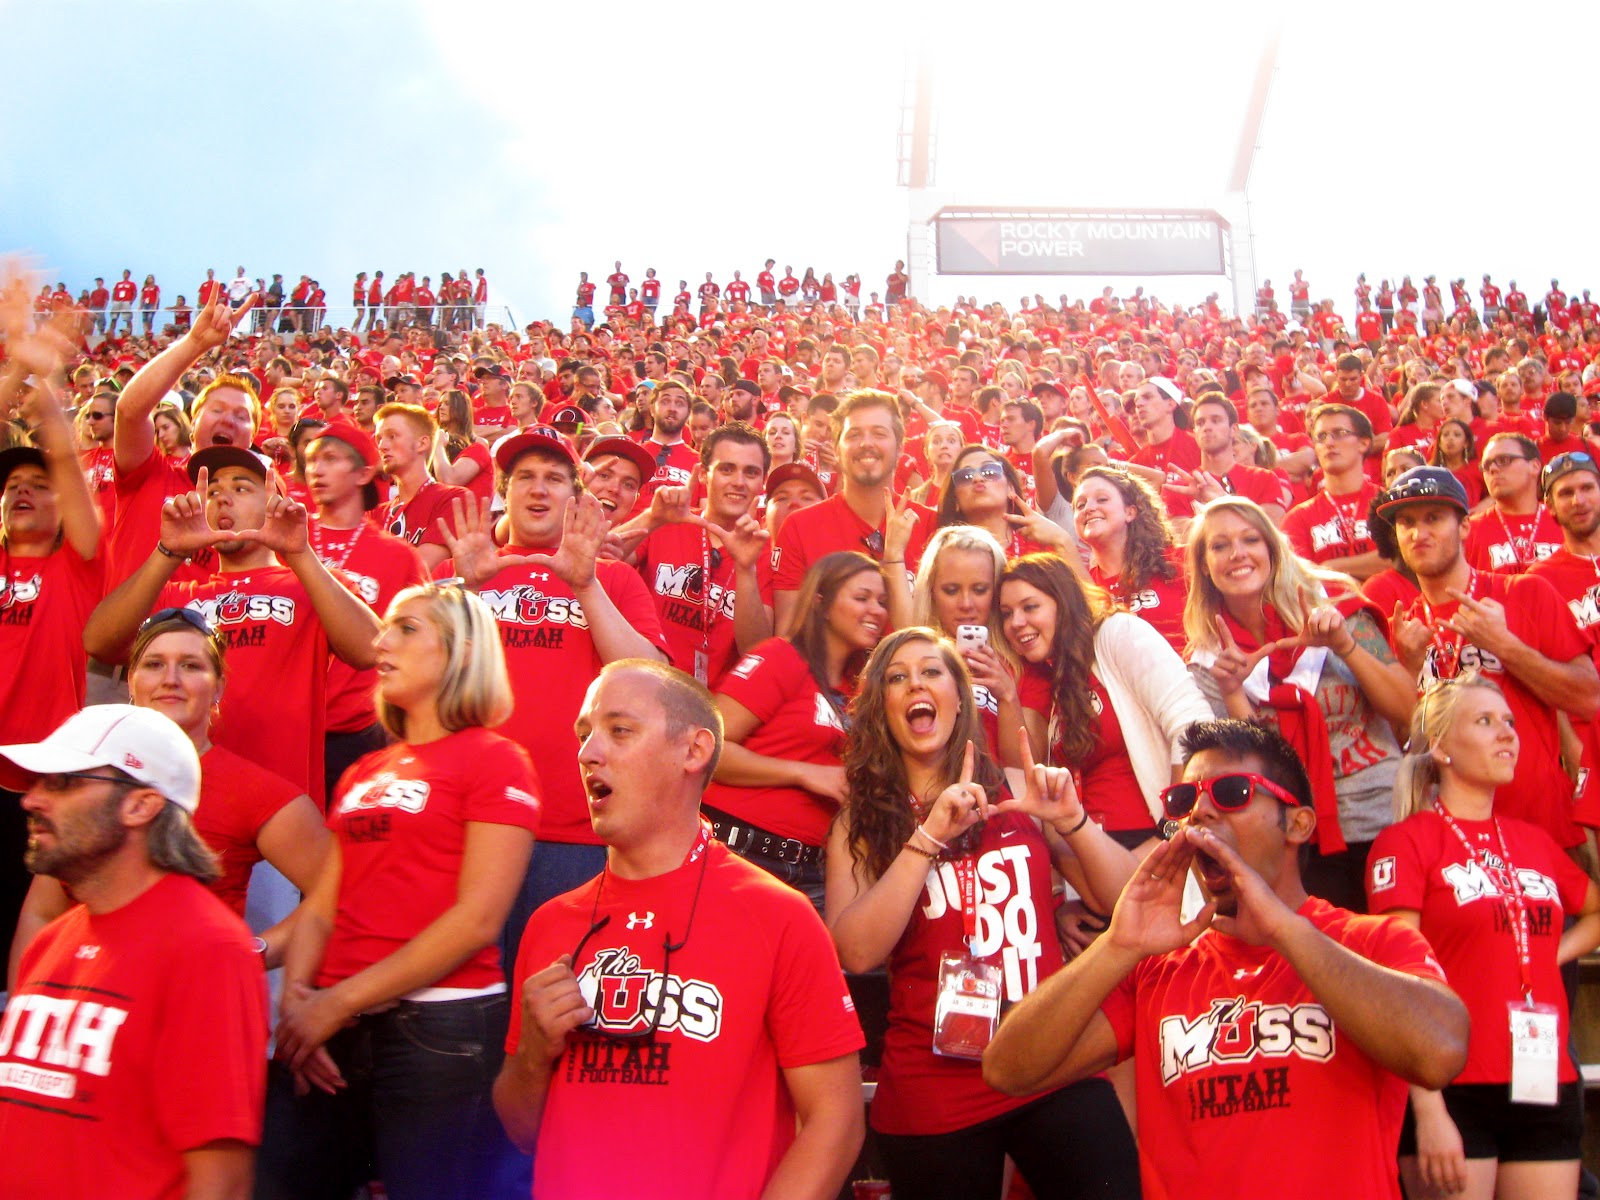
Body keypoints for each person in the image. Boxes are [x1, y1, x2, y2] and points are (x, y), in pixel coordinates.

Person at [982, 718, 1471, 1200]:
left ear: (1298, 823)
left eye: (1232, 792)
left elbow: (1441, 1052)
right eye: (1184, 801)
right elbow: (1010, 1069)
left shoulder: (1370, 941)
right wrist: (1116, 945)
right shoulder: (1159, 966)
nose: (1201, 814)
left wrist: (1284, 929)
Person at [494, 659, 865, 1200]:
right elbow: (522, 1131)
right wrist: (532, 1052)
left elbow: (836, 1121)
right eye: (584, 733)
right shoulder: (551, 925)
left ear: (694, 750)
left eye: (619, 730)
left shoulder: (778, 916)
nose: (588, 752)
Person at [826, 628, 1140, 1200]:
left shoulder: (1017, 788)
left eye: (932, 672)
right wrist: (927, 838)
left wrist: (1072, 822)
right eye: (897, 677)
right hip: (933, 1084)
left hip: (1053, 1062)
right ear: (881, 708)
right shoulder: (861, 821)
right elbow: (855, 950)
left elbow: (1121, 900)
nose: (916, 683)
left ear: (960, 695)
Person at [256, 581, 541, 1200]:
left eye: (407, 629)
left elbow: (477, 921)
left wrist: (335, 1004)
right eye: (386, 627)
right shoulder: (364, 770)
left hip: (441, 1030)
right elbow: (322, 908)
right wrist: (301, 1003)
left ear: (463, 649)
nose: (383, 642)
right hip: (335, 1029)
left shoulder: (498, 760)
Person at [0, 705, 269, 1200]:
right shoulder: (49, 943)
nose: (31, 800)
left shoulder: (207, 949)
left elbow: (221, 1181)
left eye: (61, 782)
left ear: (141, 806)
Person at [436, 426, 668, 973]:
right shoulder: (463, 572)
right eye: (525, 478)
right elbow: (414, 682)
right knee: (464, 1000)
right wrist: (463, 590)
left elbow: (650, 678)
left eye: (554, 479)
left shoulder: (612, 579)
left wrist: (586, 585)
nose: (539, 490)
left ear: (575, 497)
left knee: (555, 1003)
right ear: (504, 490)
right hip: (464, 820)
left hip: (571, 827)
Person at [1369, 673, 1600, 1200]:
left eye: (1511, 723)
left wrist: (1546, 955)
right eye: (1486, 721)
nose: (1508, 734)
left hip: (1545, 1082)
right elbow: (1401, 980)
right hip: (1453, 1086)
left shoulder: (1534, 842)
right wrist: (1427, 1111)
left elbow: (1594, 911)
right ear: (1444, 747)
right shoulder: (1406, 842)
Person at [11, 605, 329, 984]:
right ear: (131, 682)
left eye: (191, 666)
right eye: (154, 664)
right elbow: (42, 913)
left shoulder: (256, 790)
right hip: (85, 1011)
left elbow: (344, 894)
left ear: (218, 687)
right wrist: (25, 1013)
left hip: (191, 1010)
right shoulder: (81, 773)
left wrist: (250, 953)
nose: (170, 679)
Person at [82, 447, 382, 804]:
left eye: (241, 488)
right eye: (212, 491)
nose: (222, 498)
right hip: (184, 808)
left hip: (281, 814)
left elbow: (370, 649)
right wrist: (168, 552)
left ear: (276, 502)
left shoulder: (311, 586)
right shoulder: (176, 594)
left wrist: (301, 554)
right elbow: (98, 642)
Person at [1184, 497, 1414, 911]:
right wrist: (1234, 690)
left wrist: (1345, 646)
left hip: (1384, 822)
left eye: (1250, 539)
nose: (1237, 553)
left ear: (1272, 549)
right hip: (1292, 843)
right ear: (1204, 564)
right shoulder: (1208, 658)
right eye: (1219, 546)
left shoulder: (1336, 606)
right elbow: (1261, 771)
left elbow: (1406, 709)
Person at [1380, 466, 1599, 852]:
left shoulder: (1525, 592)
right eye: (1406, 522)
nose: (1419, 533)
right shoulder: (1404, 629)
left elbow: (1587, 697)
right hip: (1455, 843)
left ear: (1465, 527)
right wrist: (1411, 670)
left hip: (1542, 831)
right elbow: (1403, 744)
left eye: (1434, 518)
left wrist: (1506, 646)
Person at [0, 334, 104, 969]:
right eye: (12, 483)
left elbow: (66, 460)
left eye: (38, 484)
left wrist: (44, 386)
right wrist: (13, 368)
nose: (22, 490)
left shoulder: (78, 567)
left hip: (31, 783)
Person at [701, 551, 885, 902]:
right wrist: (802, 773)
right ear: (821, 603)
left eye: (882, 601)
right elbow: (708, 748)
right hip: (743, 854)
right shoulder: (781, 657)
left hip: (814, 870)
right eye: (861, 598)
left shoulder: (860, 691)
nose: (876, 609)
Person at [1001, 553, 1212, 854]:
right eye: (1006, 614)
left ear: (1064, 602)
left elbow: (1193, 726)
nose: (1016, 623)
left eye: (1030, 607)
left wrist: (1172, 830)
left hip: (1157, 846)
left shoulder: (1117, 633)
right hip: (1096, 861)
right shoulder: (1057, 679)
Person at [303, 420, 428, 797]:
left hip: (358, 734)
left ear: (362, 472)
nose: (316, 469)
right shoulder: (284, 536)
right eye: (310, 460)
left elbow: (418, 644)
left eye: (330, 459)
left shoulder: (397, 556)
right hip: (283, 726)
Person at [622, 422, 775, 686]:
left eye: (751, 473)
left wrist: (745, 569)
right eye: (727, 469)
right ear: (703, 474)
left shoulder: (762, 550)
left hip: (714, 705)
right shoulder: (667, 522)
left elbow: (755, 650)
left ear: (762, 483)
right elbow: (599, 562)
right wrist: (652, 519)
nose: (738, 482)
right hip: (649, 685)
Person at [773, 389, 938, 631]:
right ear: (837, 449)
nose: (866, 443)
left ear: (900, 448)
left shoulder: (931, 525)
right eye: (854, 434)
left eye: (879, 434)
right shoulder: (799, 527)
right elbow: (787, 636)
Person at [907, 526, 1026, 762]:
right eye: (951, 590)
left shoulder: (1021, 664)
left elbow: (1024, 768)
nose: (966, 604)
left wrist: (1007, 696)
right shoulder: (904, 660)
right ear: (930, 591)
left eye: (980, 590)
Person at [1072, 464, 1189, 652]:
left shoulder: (1179, 561)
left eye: (1102, 499)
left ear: (1130, 512)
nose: (1089, 508)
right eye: (1080, 505)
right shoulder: (1084, 587)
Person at [1282, 403, 1383, 580]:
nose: (1328, 442)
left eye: (1339, 434)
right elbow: (1301, 578)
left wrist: (1331, 567)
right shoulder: (1298, 518)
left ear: (1364, 443)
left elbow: (1400, 560)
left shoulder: (1388, 503)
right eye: (1321, 437)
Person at [374, 402, 471, 572]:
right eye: (379, 439)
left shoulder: (451, 499)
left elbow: (419, 570)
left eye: (392, 436)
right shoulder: (376, 513)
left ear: (422, 443)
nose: (382, 446)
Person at [1464, 432, 1563, 573]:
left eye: (1504, 460)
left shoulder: (1564, 522)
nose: (1493, 469)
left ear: (1534, 466)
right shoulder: (1468, 531)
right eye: (1486, 465)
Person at [1428, 417, 1483, 508]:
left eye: (1457, 435)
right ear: (1439, 443)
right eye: (1445, 435)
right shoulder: (1429, 471)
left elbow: (1495, 496)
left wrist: (1479, 508)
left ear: (1466, 443)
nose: (1450, 439)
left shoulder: (1478, 467)